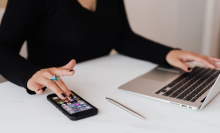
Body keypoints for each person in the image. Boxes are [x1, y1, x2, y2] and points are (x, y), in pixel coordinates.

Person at [0, 0, 219, 100]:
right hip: (54, 94)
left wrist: (169, 54)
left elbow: (122, 36)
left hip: (106, 89)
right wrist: (30, 74)